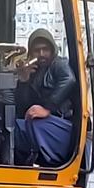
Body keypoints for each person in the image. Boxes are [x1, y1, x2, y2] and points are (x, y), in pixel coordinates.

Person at [14, 27, 78, 167]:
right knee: (14, 129)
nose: (41, 54)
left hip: (60, 124)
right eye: (37, 50)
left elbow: (69, 80)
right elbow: (24, 108)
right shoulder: (33, 71)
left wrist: (47, 108)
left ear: (52, 50)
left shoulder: (59, 64)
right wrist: (24, 80)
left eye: (45, 49)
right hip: (42, 125)